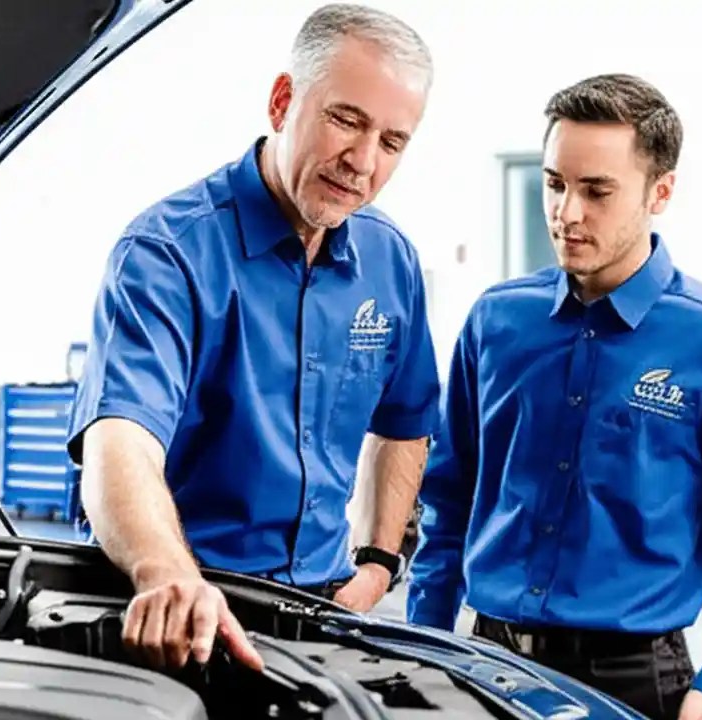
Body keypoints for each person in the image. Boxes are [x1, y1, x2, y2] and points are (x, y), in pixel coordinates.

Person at [406, 73, 702, 720]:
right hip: (482, 671)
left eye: (597, 191)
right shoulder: (496, 321)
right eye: (554, 184)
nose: (567, 213)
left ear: (661, 192)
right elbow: (448, 497)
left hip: (633, 686)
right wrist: (424, 645)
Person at [66, 3, 440, 674]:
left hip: (321, 614)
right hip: (180, 611)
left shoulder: (392, 262)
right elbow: (119, 441)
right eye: (346, 120)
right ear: (282, 101)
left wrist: (379, 561)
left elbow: (405, 422)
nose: (362, 162)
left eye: (391, 142)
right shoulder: (168, 252)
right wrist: (168, 576)